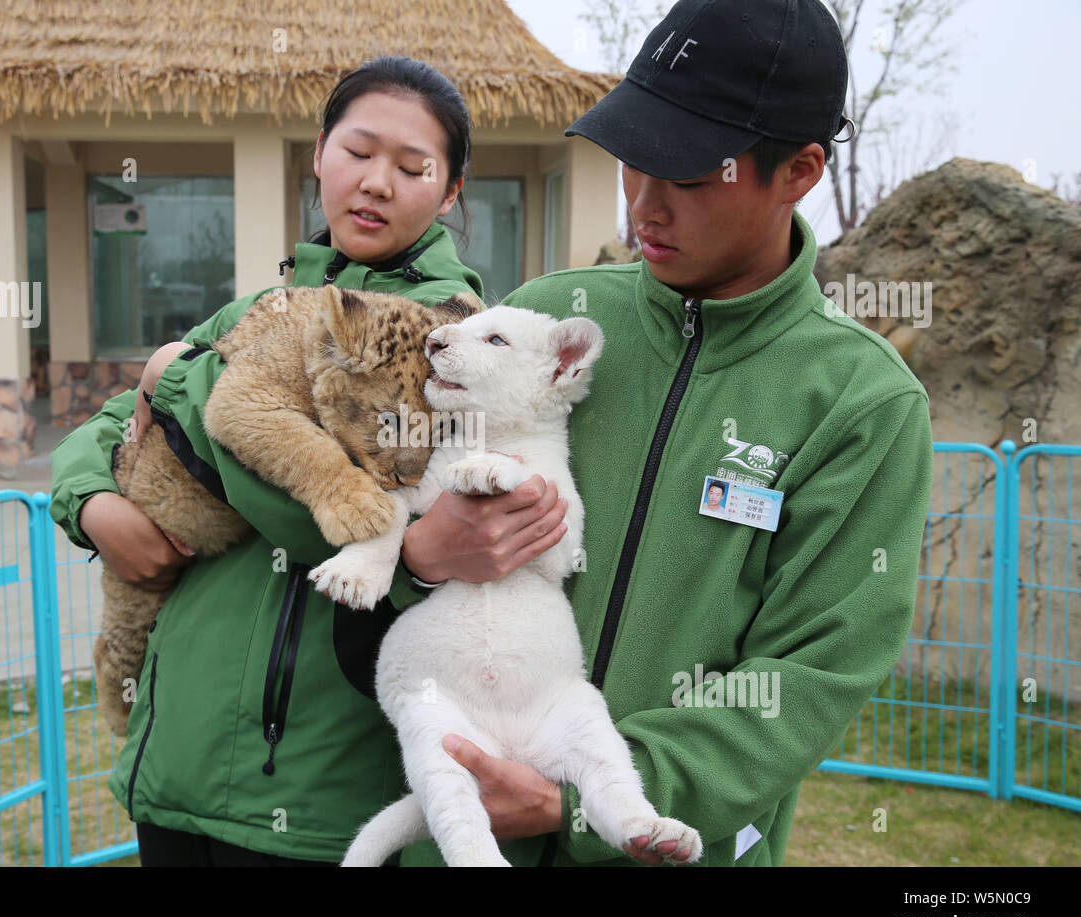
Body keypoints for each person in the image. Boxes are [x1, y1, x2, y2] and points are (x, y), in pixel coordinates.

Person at [394, 0, 933, 866]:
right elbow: (401, 510)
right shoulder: (542, 323)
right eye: (633, 163)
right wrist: (419, 554)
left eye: (687, 178)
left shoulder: (859, 403)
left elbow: (811, 674)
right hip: (463, 825)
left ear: (798, 172)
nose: (645, 206)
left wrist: (596, 793)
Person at [49, 56, 492, 865]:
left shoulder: (444, 333)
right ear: (319, 153)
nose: (376, 183)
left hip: (316, 791)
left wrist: (171, 373)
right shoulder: (261, 306)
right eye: (357, 151)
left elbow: (323, 510)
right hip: (176, 762)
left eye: (412, 166)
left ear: (451, 190)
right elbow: (103, 425)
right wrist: (92, 506)